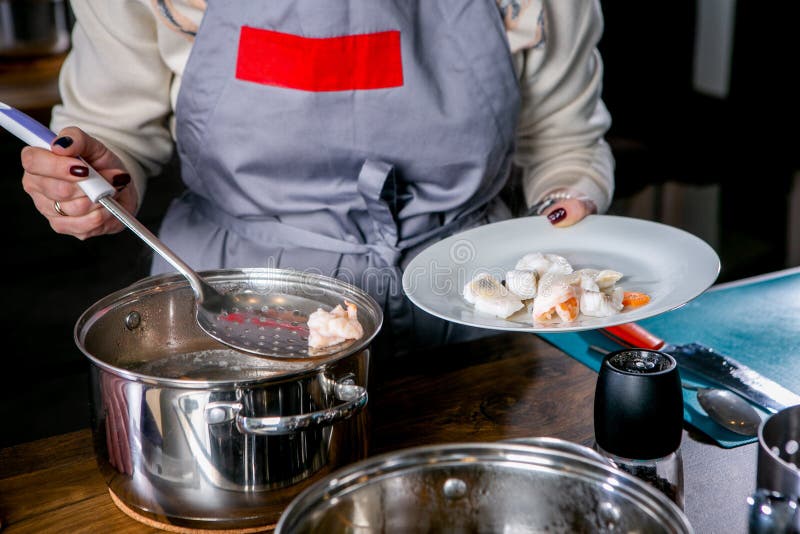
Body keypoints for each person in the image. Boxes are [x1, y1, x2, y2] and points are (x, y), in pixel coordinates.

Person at [19, 0, 614, 354]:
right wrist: (95, 181)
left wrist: (567, 196)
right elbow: (111, 127)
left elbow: (563, 134)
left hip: (477, 301)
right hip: (235, 305)